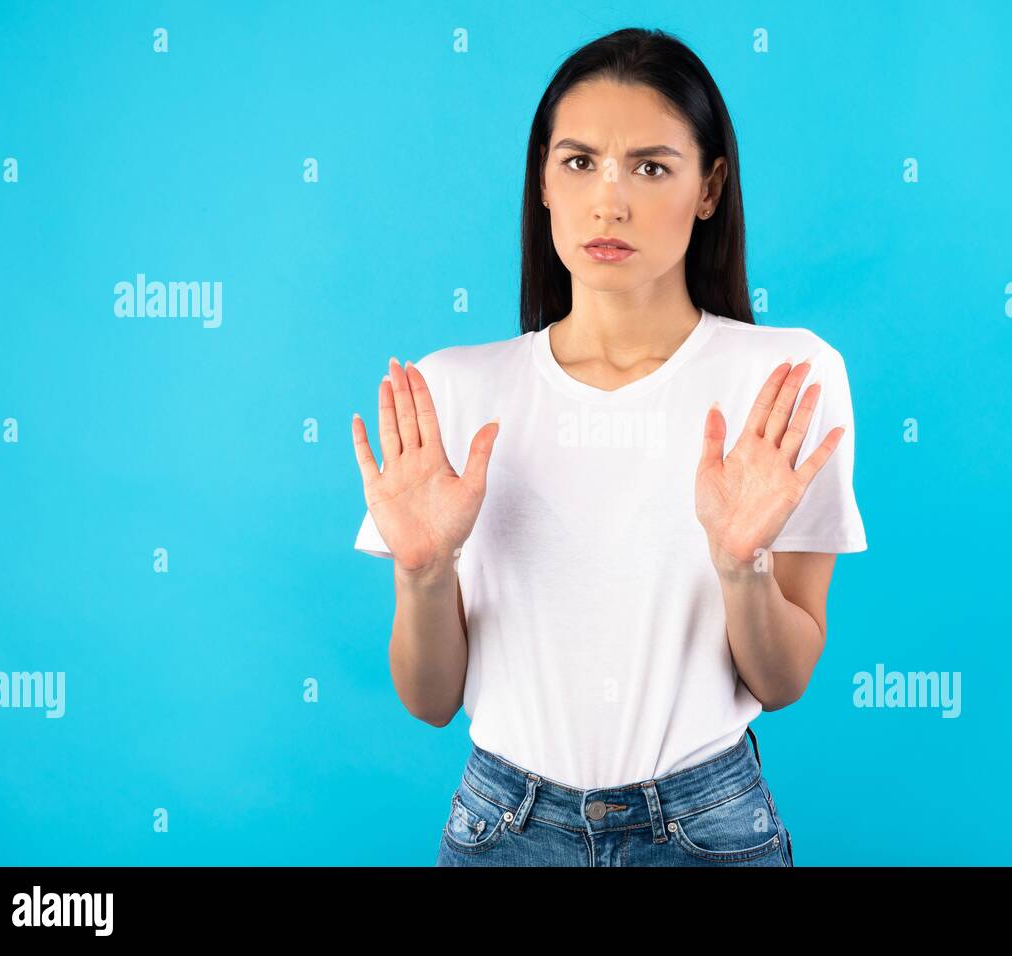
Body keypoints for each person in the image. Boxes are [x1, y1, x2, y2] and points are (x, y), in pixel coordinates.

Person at [350, 28, 866, 866]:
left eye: (651, 167)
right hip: (502, 828)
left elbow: (781, 682)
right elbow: (430, 700)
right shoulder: (454, 389)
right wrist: (425, 570)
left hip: (705, 827)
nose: (609, 201)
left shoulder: (785, 379)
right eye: (580, 162)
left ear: (710, 187)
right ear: (543, 182)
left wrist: (742, 566)